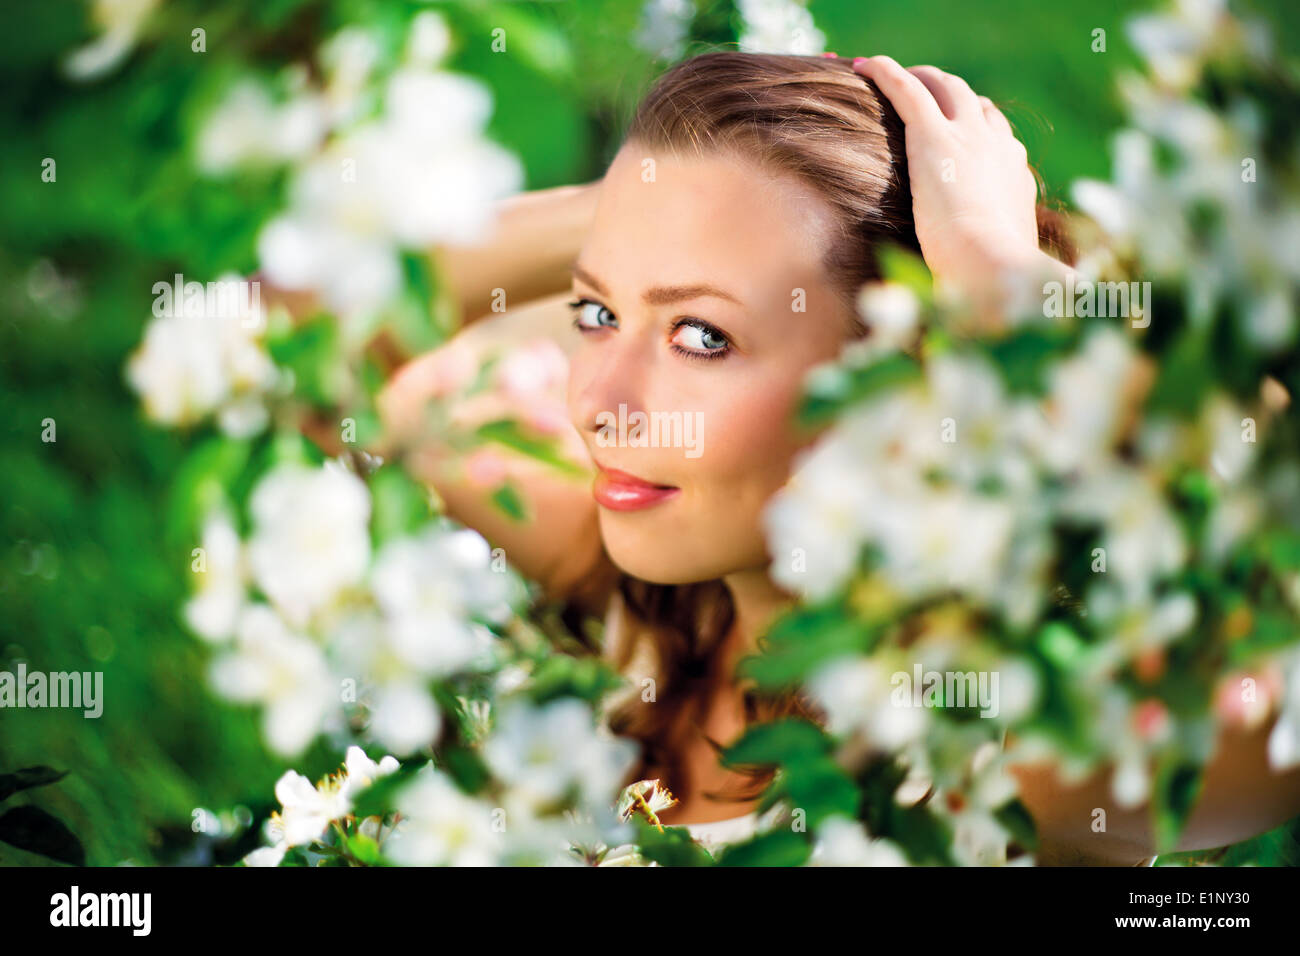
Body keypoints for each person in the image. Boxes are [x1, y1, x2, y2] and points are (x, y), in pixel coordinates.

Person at [375, 51, 1300, 864]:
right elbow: (316, 325)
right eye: (597, 314)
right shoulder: (645, 619)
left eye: (701, 335)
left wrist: (997, 270)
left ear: (896, 378)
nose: (596, 404)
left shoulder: (997, 742)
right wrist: (654, 200)